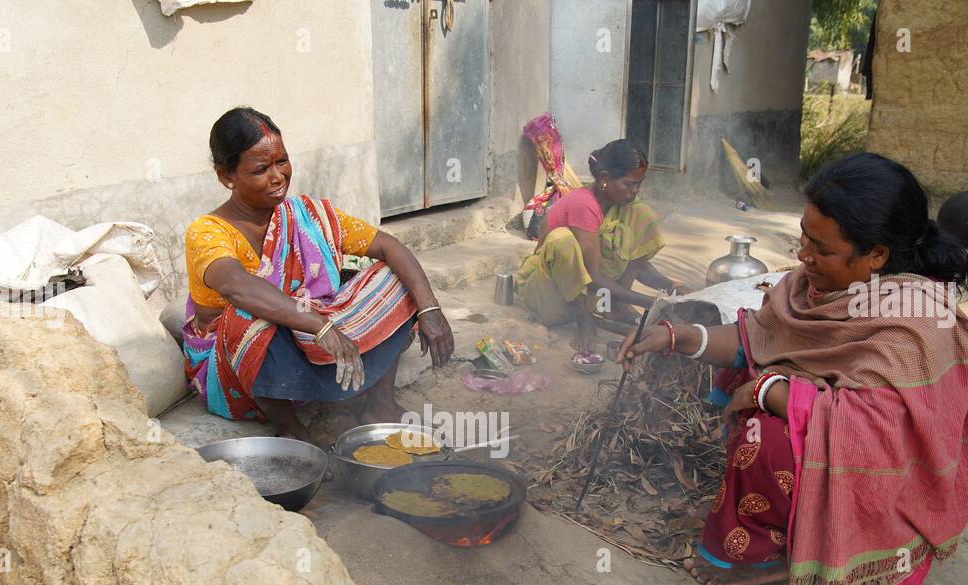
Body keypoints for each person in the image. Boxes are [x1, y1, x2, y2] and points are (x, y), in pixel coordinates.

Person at [618, 152, 968, 585]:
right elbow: (757, 336)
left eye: (822, 249)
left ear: (877, 255)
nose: (803, 257)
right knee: (745, 376)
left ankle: (797, 558)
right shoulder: (815, 288)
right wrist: (675, 336)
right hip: (835, 446)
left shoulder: (917, 322)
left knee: (768, 436)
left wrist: (767, 388)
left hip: (885, 491)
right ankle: (785, 526)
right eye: (803, 239)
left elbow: (866, 433)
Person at [183, 107, 454, 440]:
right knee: (244, 313)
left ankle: (380, 404)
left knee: (391, 278)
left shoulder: (306, 215)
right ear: (226, 176)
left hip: (309, 337)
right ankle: (290, 428)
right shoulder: (207, 231)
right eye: (261, 169)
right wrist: (319, 324)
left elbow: (388, 246)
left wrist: (430, 309)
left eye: (281, 162)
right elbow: (237, 286)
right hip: (243, 368)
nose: (277, 177)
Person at [515, 139, 681, 364]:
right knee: (562, 240)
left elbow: (637, 263)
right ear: (604, 179)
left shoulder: (619, 204)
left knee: (642, 214)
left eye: (639, 184)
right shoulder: (584, 204)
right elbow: (592, 277)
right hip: (549, 294)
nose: (635, 191)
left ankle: (616, 303)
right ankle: (585, 319)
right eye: (629, 184)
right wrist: (651, 303)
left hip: (595, 293)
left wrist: (671, 288)